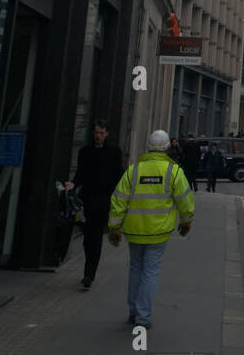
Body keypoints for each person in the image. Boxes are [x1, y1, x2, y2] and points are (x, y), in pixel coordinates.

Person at [106, 130, 193, 329]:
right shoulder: (174, 171)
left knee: (135, 268)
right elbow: (185, 201)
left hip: (134, 231)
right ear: (167, 148)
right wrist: (186, 221)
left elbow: (118, 200)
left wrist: (114, 227)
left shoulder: (133, 171)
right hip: (158, 232)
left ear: (148, 147)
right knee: (150, 272)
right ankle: (143, 317)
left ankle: (133, 311)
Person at [65, 118, 124, 289]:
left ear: (107, 134)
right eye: (96, 133)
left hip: (104, 200)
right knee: (87, 237)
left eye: (101, 133)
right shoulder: (85, 152)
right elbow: (80, 173)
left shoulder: (114, 152)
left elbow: (118, 175)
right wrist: (73, 184)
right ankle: (88, 269)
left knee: (96, 236)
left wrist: (115, 194)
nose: (98, 136)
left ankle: (89, 274)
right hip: (86, 199)